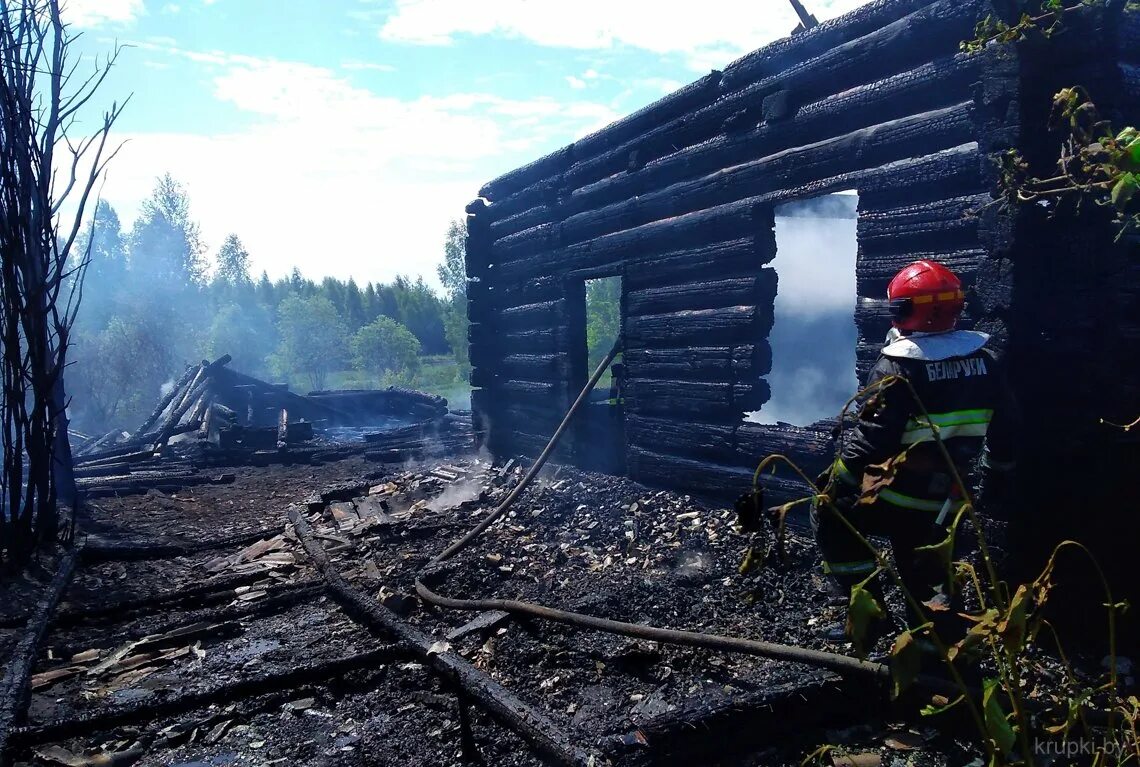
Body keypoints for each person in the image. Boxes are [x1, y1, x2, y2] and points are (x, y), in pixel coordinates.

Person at [811, 259, 1016, 649]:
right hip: (948, 496)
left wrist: (838, 478)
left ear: (904, 311)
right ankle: (935, 649)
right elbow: (1007, 428)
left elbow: (873, 440)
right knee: (927, 569)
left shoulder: (897, 366)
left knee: (831, 516)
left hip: (897, 493)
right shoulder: (987, 362)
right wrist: (997, 474)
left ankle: (868, 616)